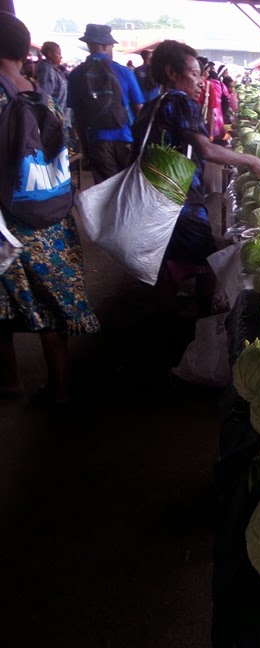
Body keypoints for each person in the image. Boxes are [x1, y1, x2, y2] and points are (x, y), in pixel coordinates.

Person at [0, 12, 100, 406]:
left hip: (9, 221)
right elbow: (68, 149)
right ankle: (59, 386)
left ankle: (8, 381)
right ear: (26, 51)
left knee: (4, 304)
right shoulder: (42, 94)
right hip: (52, 216)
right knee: (54, 304)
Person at [131, 40, 260, 318]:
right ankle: (202, 323)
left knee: (165, 260)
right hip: (179, 198)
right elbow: (206, 148)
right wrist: (251, 160)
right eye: (194, 73)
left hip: (153, 196)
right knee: (208, 261)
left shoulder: (151, 105)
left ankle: (166, 327)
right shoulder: (180, 102)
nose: (201, 81)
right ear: (172, 72)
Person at [68, 24, 144, 184]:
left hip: (97, 141)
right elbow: (139, 111)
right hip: (126, 139)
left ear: (89, 44)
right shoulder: (124, 71)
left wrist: (85, 149)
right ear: (105, 45)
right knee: (129, 189)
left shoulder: (76, 75)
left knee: (105, 193)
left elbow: (79, 117)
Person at [36, 42, 67, 113]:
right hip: (55, 118)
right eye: (59, 53)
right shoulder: (47, 70)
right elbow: (46, 95)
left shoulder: (54, 70)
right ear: (50, 54)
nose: (61, 57)